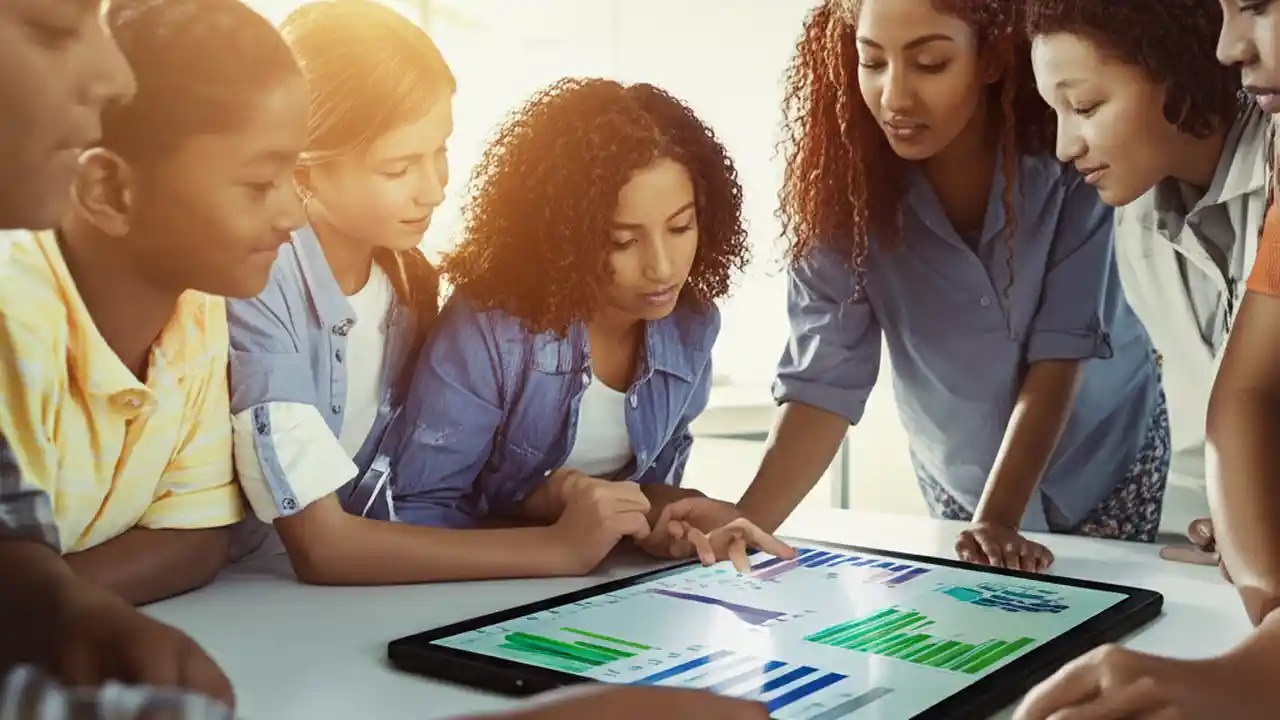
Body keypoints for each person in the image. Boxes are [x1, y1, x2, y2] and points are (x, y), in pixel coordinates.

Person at [715, 0, 1166, 573]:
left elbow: (1061, 354)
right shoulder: (840, 194)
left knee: (1098, 637)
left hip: (1104, 454)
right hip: (962, 473)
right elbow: (823, 381)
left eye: (929, 63)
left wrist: (998, 519)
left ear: (991, 57)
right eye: (872, 62)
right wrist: (747, 520)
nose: (895, 97)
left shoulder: (1073, 152)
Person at [0, 0, 308, 705]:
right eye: (260, 183)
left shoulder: (198, 306)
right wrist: (56, 617)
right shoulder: (13, 309)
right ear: (109, 189)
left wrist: (70, 613)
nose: (292, 213)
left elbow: (196, 536)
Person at [387, 77, 793, 574]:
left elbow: (641, 493)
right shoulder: (491, 330)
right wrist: (552, 515)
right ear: (565, 237)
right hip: (483, 591)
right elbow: (415, 511)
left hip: (594, 592)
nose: (662, 267)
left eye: (680, 227)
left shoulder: (690, 326)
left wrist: (674, 515)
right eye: (623, 242)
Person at [1015, 2, 1280, 717]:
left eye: (1086, 106)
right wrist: (1242, 520)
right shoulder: (1132, 224)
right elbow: (1229, 412)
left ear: (1175, 71)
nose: (1067, 146)